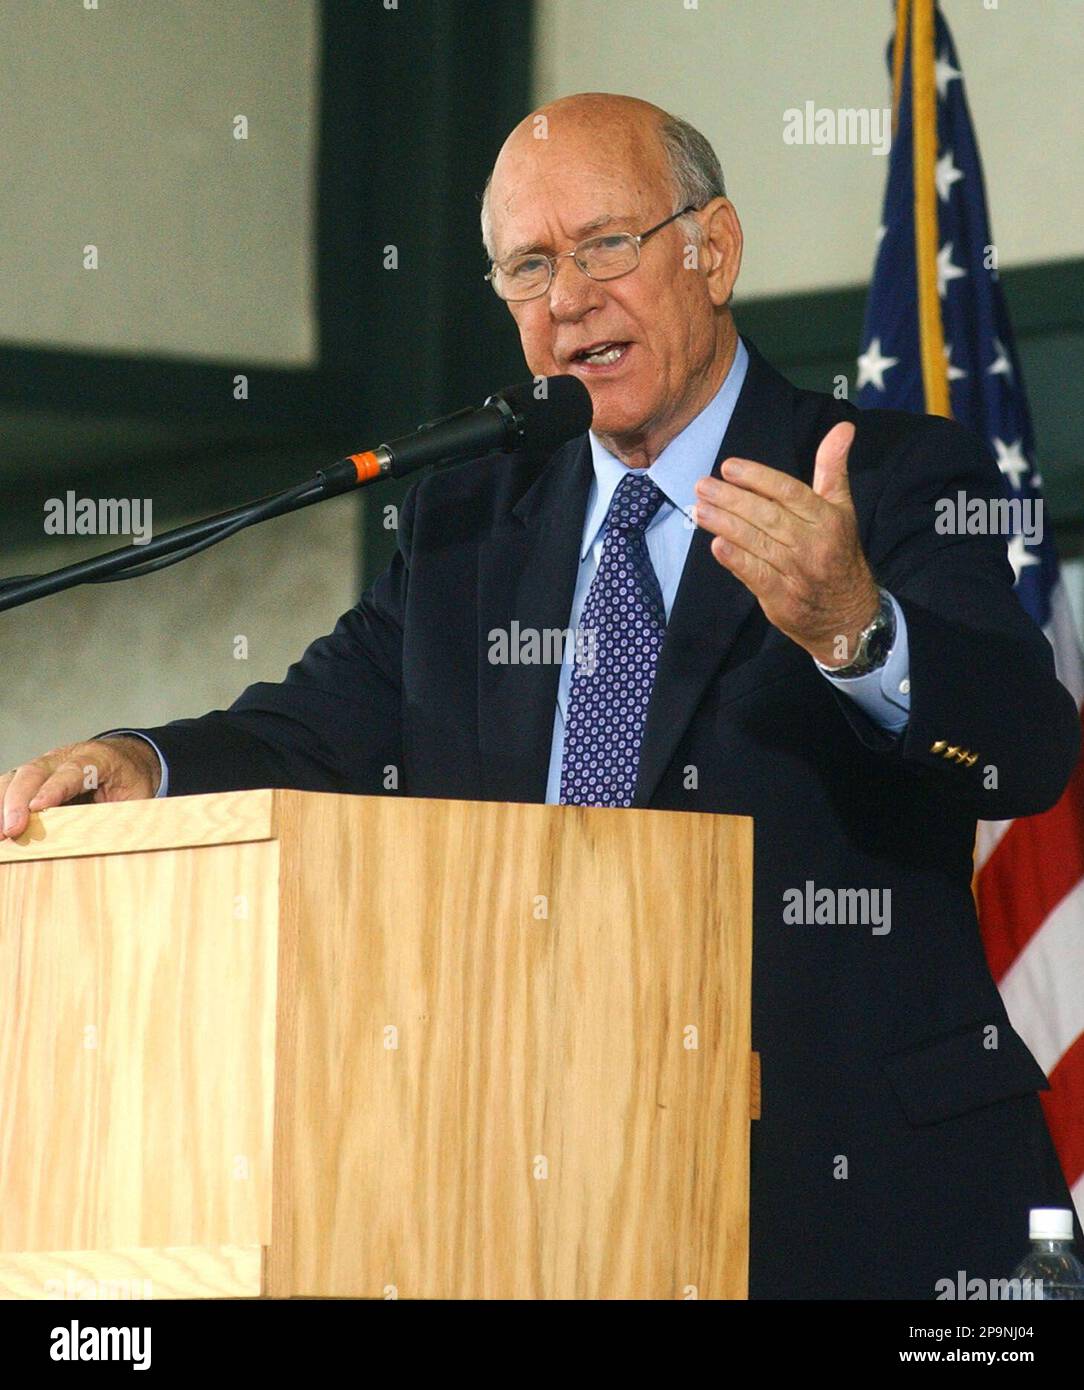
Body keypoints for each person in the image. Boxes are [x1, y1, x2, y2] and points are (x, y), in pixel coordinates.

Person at [2, 93, 1078, 1298]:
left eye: (605, 245)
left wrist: (853, 625)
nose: (567, 298)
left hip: (871, 1207)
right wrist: (141, 761)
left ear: (711, 250)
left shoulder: (884, 476)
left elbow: (1024, 749)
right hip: (543, 1199)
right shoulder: (472, 525)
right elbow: (320, 726)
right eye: (527, 266)